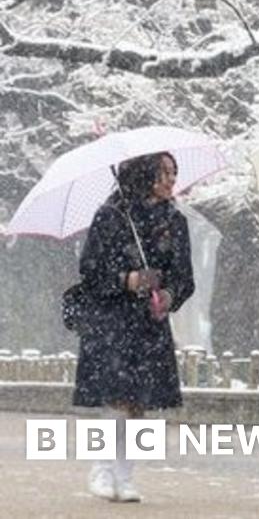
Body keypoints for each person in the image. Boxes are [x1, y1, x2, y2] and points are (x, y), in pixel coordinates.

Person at [74, 152, 195, 503]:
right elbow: (91, 271)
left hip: (149, 323)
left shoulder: (175, 221)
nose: (171, 180)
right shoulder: (111, 217)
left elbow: (184, 277)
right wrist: (126, 280)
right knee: (117, 395)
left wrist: (169, 295)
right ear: (144, 176)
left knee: (141, 401)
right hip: (112, 321)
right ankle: (101, 469)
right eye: (163, 173)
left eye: (174, 172)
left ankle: (126, 475)